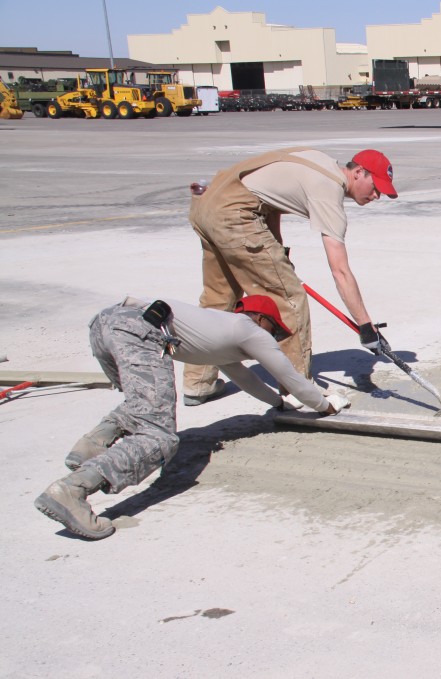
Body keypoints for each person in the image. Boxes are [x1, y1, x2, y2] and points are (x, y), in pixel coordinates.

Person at [34, 295, 350, 541]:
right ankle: (73, 490)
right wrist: (324, 405)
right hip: (138, 330)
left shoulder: (220, 334)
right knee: (159, 436)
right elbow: (288, 374)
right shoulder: (248, 329)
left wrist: (278, 403)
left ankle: (89, 448)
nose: (275, 337)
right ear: (259, 317)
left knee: (144, 402)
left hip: (106, 323)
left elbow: (246, 379)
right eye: (275, 329)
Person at [183, 147, 398, 405]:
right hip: (235, 216)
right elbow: (340, 271)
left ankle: (198, 383)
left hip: (209, 203)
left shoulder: (320, 161)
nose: (376, 196)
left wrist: (278, 251)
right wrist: (366, 327)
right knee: (289, 299)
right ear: (358, 172)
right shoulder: (329, 190)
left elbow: (271, 203)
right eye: (375, 187)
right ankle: (300, 389)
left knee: (220, 296)